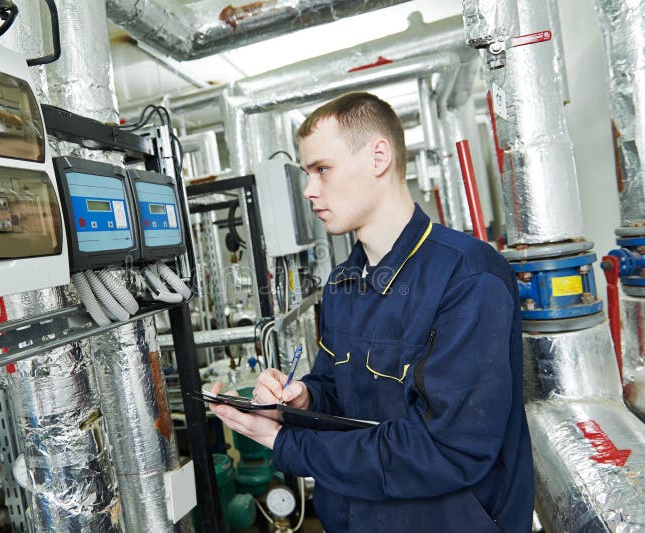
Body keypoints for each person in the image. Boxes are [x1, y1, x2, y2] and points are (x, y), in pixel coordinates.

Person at [210, 91, 534, 532]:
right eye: (307, 173)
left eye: (322, 169)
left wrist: (285, 442)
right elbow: (335, 388)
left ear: (379, 157)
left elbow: (448, 450)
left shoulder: (468, 277)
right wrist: (299, 401)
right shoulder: (343, 282)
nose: (309, 190)